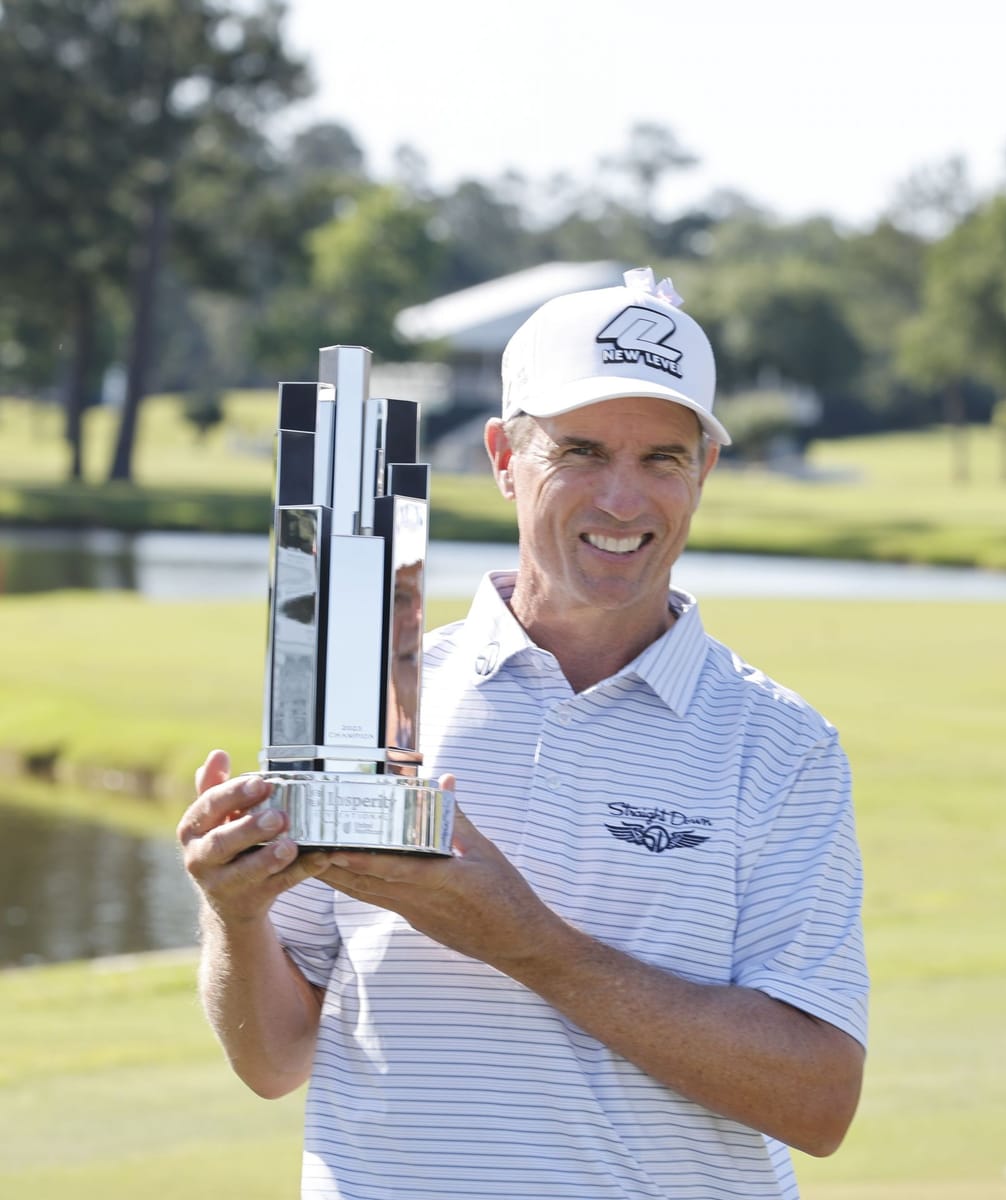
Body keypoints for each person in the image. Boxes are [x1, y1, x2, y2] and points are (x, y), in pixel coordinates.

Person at [179, 266, 869, 1200]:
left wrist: (524, 940)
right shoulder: (369, 705)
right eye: (581, 451)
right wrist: (235, 912)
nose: (623, 501)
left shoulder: (780, 746)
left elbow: (818, 1100)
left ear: (704, 467)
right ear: (504, 457)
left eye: (662, 458)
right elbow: (274, 1060)